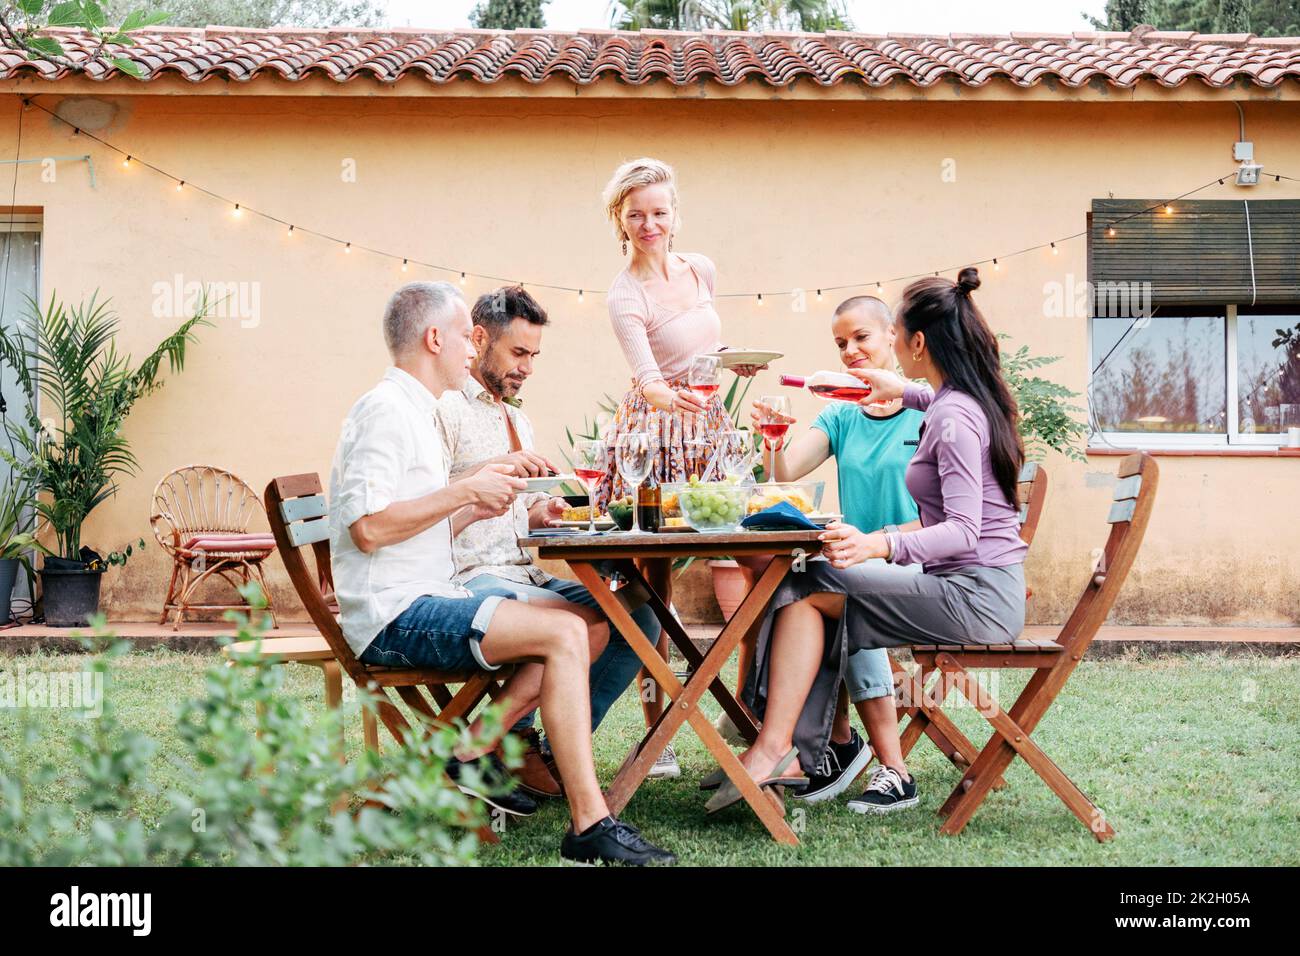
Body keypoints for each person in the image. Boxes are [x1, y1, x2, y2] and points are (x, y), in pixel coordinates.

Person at [329, 280, 674, 865]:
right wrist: (464, 490)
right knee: (569, 630)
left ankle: (492, 757)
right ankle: (586, 821)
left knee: (597, 622)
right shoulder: (385, 411)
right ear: (435, 338)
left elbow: (418, 523)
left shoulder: (413, 410)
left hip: (426, 595)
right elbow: (368, 529)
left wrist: (472, 504)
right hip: (396, 615)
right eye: (467, 337)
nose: (472, 347)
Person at [707, 267, 1027, 817]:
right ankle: (783, 746)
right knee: (807, 588)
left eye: (895, 337)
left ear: (917, 343)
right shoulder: (959, 401)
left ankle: (778, 744)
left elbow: (964, 530)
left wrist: (879, 545)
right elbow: (923, 400)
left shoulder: (954, 417)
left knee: (806, 585)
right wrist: (891, 390)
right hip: (962, 586)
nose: (892, 349)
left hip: (978, 598)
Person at [435, 284, 663, 798]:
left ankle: (558, 745)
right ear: (477, 339)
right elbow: (428, 504)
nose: (528, 367)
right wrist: (487, 470)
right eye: (518, 352)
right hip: (468, 577)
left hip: (523, 571)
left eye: (534, 355)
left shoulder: (516, 416)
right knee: (585, 624)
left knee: (638, 618)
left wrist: (547, 511)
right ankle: (487, 744)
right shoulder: (444, 410)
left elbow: (523, 512)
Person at [597, 157, 763, 776]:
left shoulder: (702, 269)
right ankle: (657, 733)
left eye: (659, 212)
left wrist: (730, 366)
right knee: (652, 584)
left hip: (709, 430)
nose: (649, 224)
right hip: (656, 437)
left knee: (749, 556)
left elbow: (706, 352)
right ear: (620, 218)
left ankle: (746, 710)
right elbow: (649, 382)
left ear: (675, 213)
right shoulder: (624, 295)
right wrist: (686, 395)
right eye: (636, 214)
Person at [738, 294, 924, 804]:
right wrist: (771, 438)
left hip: (916, 554)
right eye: (841, 343)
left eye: (860, 337)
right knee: (809, 584)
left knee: (835, 592)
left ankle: (893, 768)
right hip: (857, 556)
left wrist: (881, 544)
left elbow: (949, 514)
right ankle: (835, 744)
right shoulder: (843, 413)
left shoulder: (927, 404)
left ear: (893, 335)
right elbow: (785, 474)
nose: (849, 351)